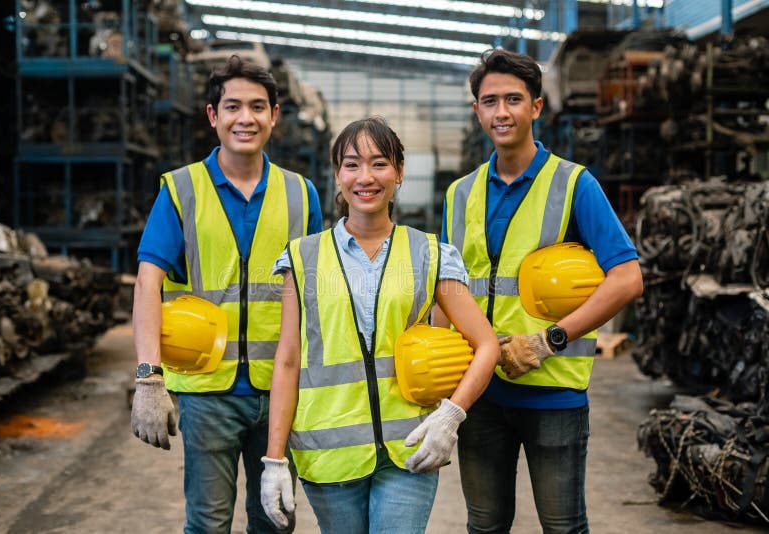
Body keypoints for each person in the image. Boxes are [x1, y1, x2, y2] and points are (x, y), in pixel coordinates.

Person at [259, 117, 500, 534]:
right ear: (337, 175)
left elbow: (486, 344)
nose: (365, 177)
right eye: (351, 165)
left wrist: (450, 417)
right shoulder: (303, 259)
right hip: (327, 453)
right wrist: (274, 459)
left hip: (409, 448)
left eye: (379, 164)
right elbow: (288, 360)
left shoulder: (431, 254)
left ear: (399, 172)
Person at [438, 49, 643, 533]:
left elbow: (627, 277)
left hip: (553, 394)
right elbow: (448, 290)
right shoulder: (459, 194)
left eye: (514, 99)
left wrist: (547, 340)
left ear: (536, 107)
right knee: (484, 526)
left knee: (562, 527)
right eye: (490, 101)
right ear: (477, 111)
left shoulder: (574, 184)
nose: (502, 112)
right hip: (481, 394)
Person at [130, 55, 323, 533]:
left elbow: (320, 293)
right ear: (213, 115)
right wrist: (149, 378)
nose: (246, 118)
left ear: (275, 116)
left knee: (275, 521)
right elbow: (147, 281)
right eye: (233, 107)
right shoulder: (181, 189)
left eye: (258, 107)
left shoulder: (302, 195)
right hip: (207, 391)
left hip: (280, 391)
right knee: (209, 523)